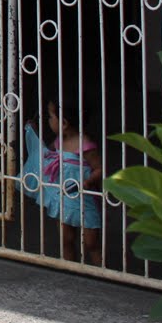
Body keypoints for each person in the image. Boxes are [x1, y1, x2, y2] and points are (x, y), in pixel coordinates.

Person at [22, 98, 103, 263]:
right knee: (66, 239)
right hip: (64, 198)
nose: (49, 120)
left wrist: (88, 182)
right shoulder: (59, 141)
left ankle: (102, 271)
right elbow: (47, 154)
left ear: (64, 123)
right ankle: (69, 269)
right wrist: (34, 133)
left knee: (91, 242)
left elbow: (99, 169)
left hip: (84, 199)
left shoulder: (85, 145)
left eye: (51, 117)